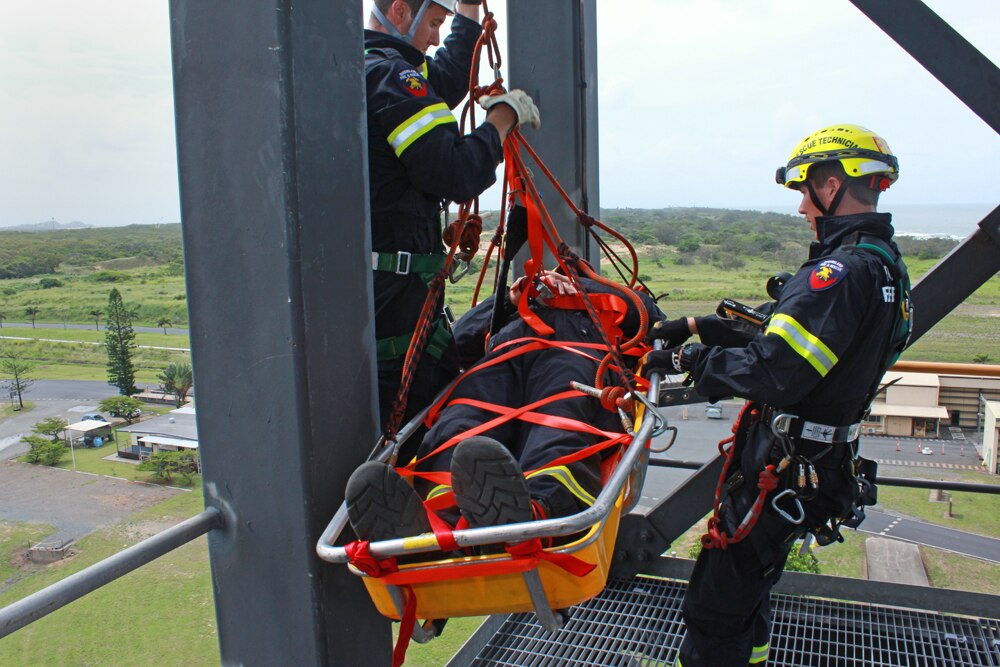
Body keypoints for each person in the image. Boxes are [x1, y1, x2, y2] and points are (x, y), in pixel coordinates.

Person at [642, 124, 912, 667]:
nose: (801, 210)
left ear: (831, 186)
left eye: (803, 194)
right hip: (817, 464)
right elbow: (789, 332)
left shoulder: (838, 271)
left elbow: (776, 370)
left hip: (785, 469)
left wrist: (687, 359)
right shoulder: (884, 263)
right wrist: (699, 325)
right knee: (749, 593)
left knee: (714, 610)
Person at [346, 270, 664, 542]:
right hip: (504, 359)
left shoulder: (612, 299)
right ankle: (441, 513)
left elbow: (653, 321)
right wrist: (508, 300)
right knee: (461, 419)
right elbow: (458, 341)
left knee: (558, 420)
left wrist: (582, 288)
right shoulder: (511, 309)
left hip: (576, 354)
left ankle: (541, 508)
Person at [365, 0, 541, 433]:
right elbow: (455, 174)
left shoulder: (377, 70)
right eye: (434, 23)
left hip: (396, 296)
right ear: (401, 11)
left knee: (437, 398)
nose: (437, 37)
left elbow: (442, 80)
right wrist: (503, 119)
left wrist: (465, 12)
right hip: (396, 306)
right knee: (413, 422)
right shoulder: (390, 76)